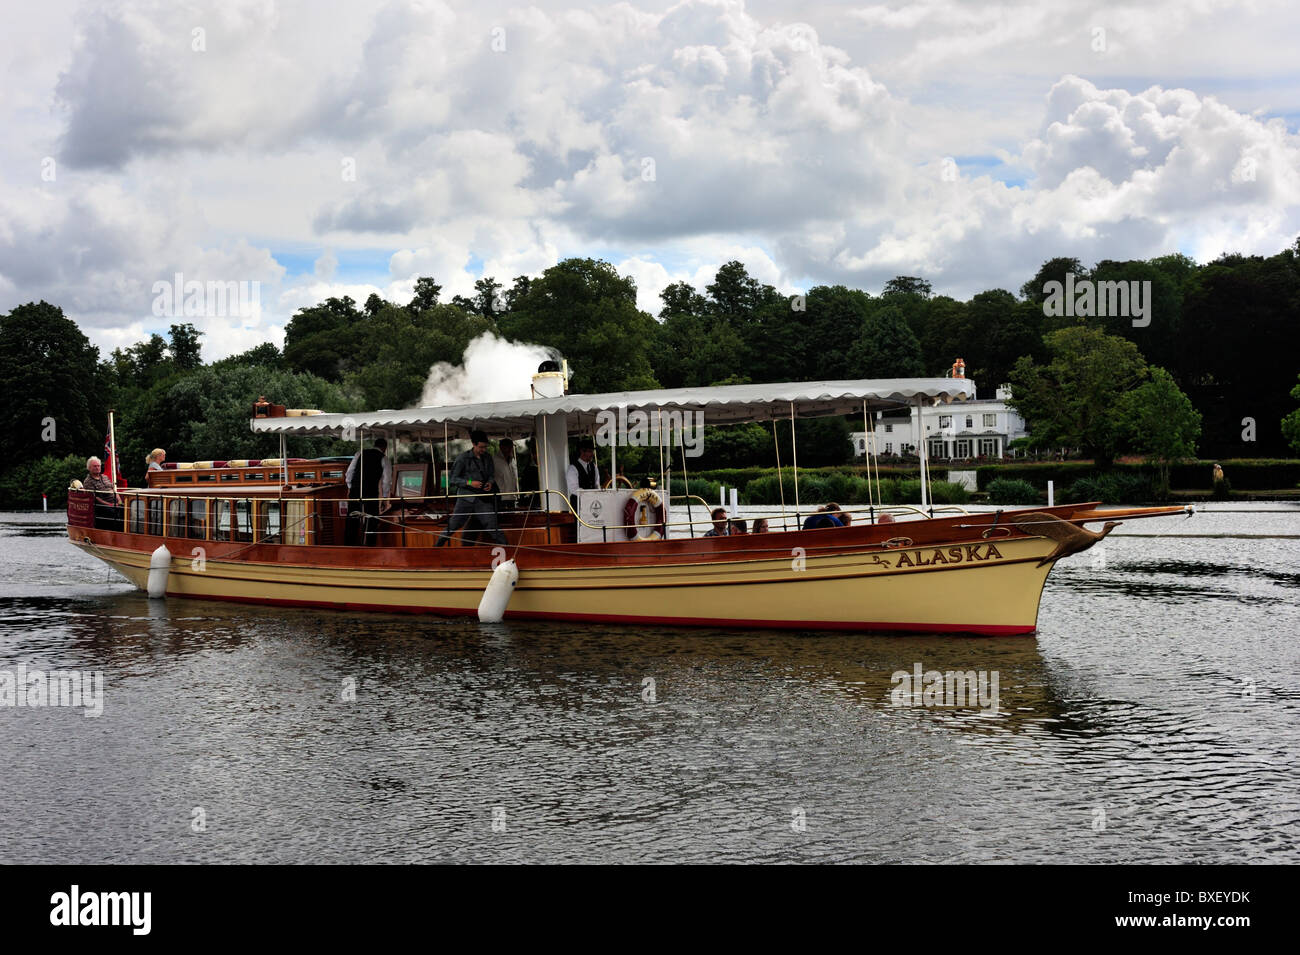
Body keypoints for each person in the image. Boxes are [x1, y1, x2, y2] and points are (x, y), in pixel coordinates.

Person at [437, 430, 507, 547]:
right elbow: (453, 479)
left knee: (492, 525)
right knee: (454, 525)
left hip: (482, 499)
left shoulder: (488, 457)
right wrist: (470, 482)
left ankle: (508, 550)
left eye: (485, 447)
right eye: (481, 447)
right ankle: (436, 547)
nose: (483, 449)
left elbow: (491, 475)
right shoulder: (462, 458)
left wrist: (489, 482)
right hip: (465, 498)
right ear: (473, 444)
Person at [346, 438, 393, 546]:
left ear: (374, 445)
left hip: (355, 490)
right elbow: (386, 481)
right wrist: (385, 498)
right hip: (371, 492)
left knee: (352, 520)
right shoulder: (384, 459)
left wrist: (350, 487)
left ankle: (349, 545)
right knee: (371, 520)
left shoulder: (359, 454)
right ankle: (370, 546)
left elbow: (349, 473)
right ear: (384, 448)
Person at [83, 456, 120, 529]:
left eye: (98, 466)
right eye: (95, 466)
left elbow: (114, 490)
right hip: (101, 506)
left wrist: (120, 501)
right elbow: (95, 498)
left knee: (125, 508)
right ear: (89, 468)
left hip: (114, 503)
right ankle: (115, 532)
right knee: (113, 512)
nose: (97, 468)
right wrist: (109, 504)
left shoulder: (105, 477)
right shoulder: (88, 481)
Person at [566, 437, 600, 507]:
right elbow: (574, 489)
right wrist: (589, 495)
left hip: (592, 503)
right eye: (590, 451)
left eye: (592, 451)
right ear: (582, 451)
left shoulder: (593, 466)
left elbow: (596, 484)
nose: (592, 454)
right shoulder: (572, 468)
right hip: (579, 504)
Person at [493, 439, 520, 507]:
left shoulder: (512, 460)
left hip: (512, 496)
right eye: (507, 447)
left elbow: (514, 477)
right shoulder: (494, 460)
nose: (510, 449)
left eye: (511, 447)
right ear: (501, 447)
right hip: (500, 497)